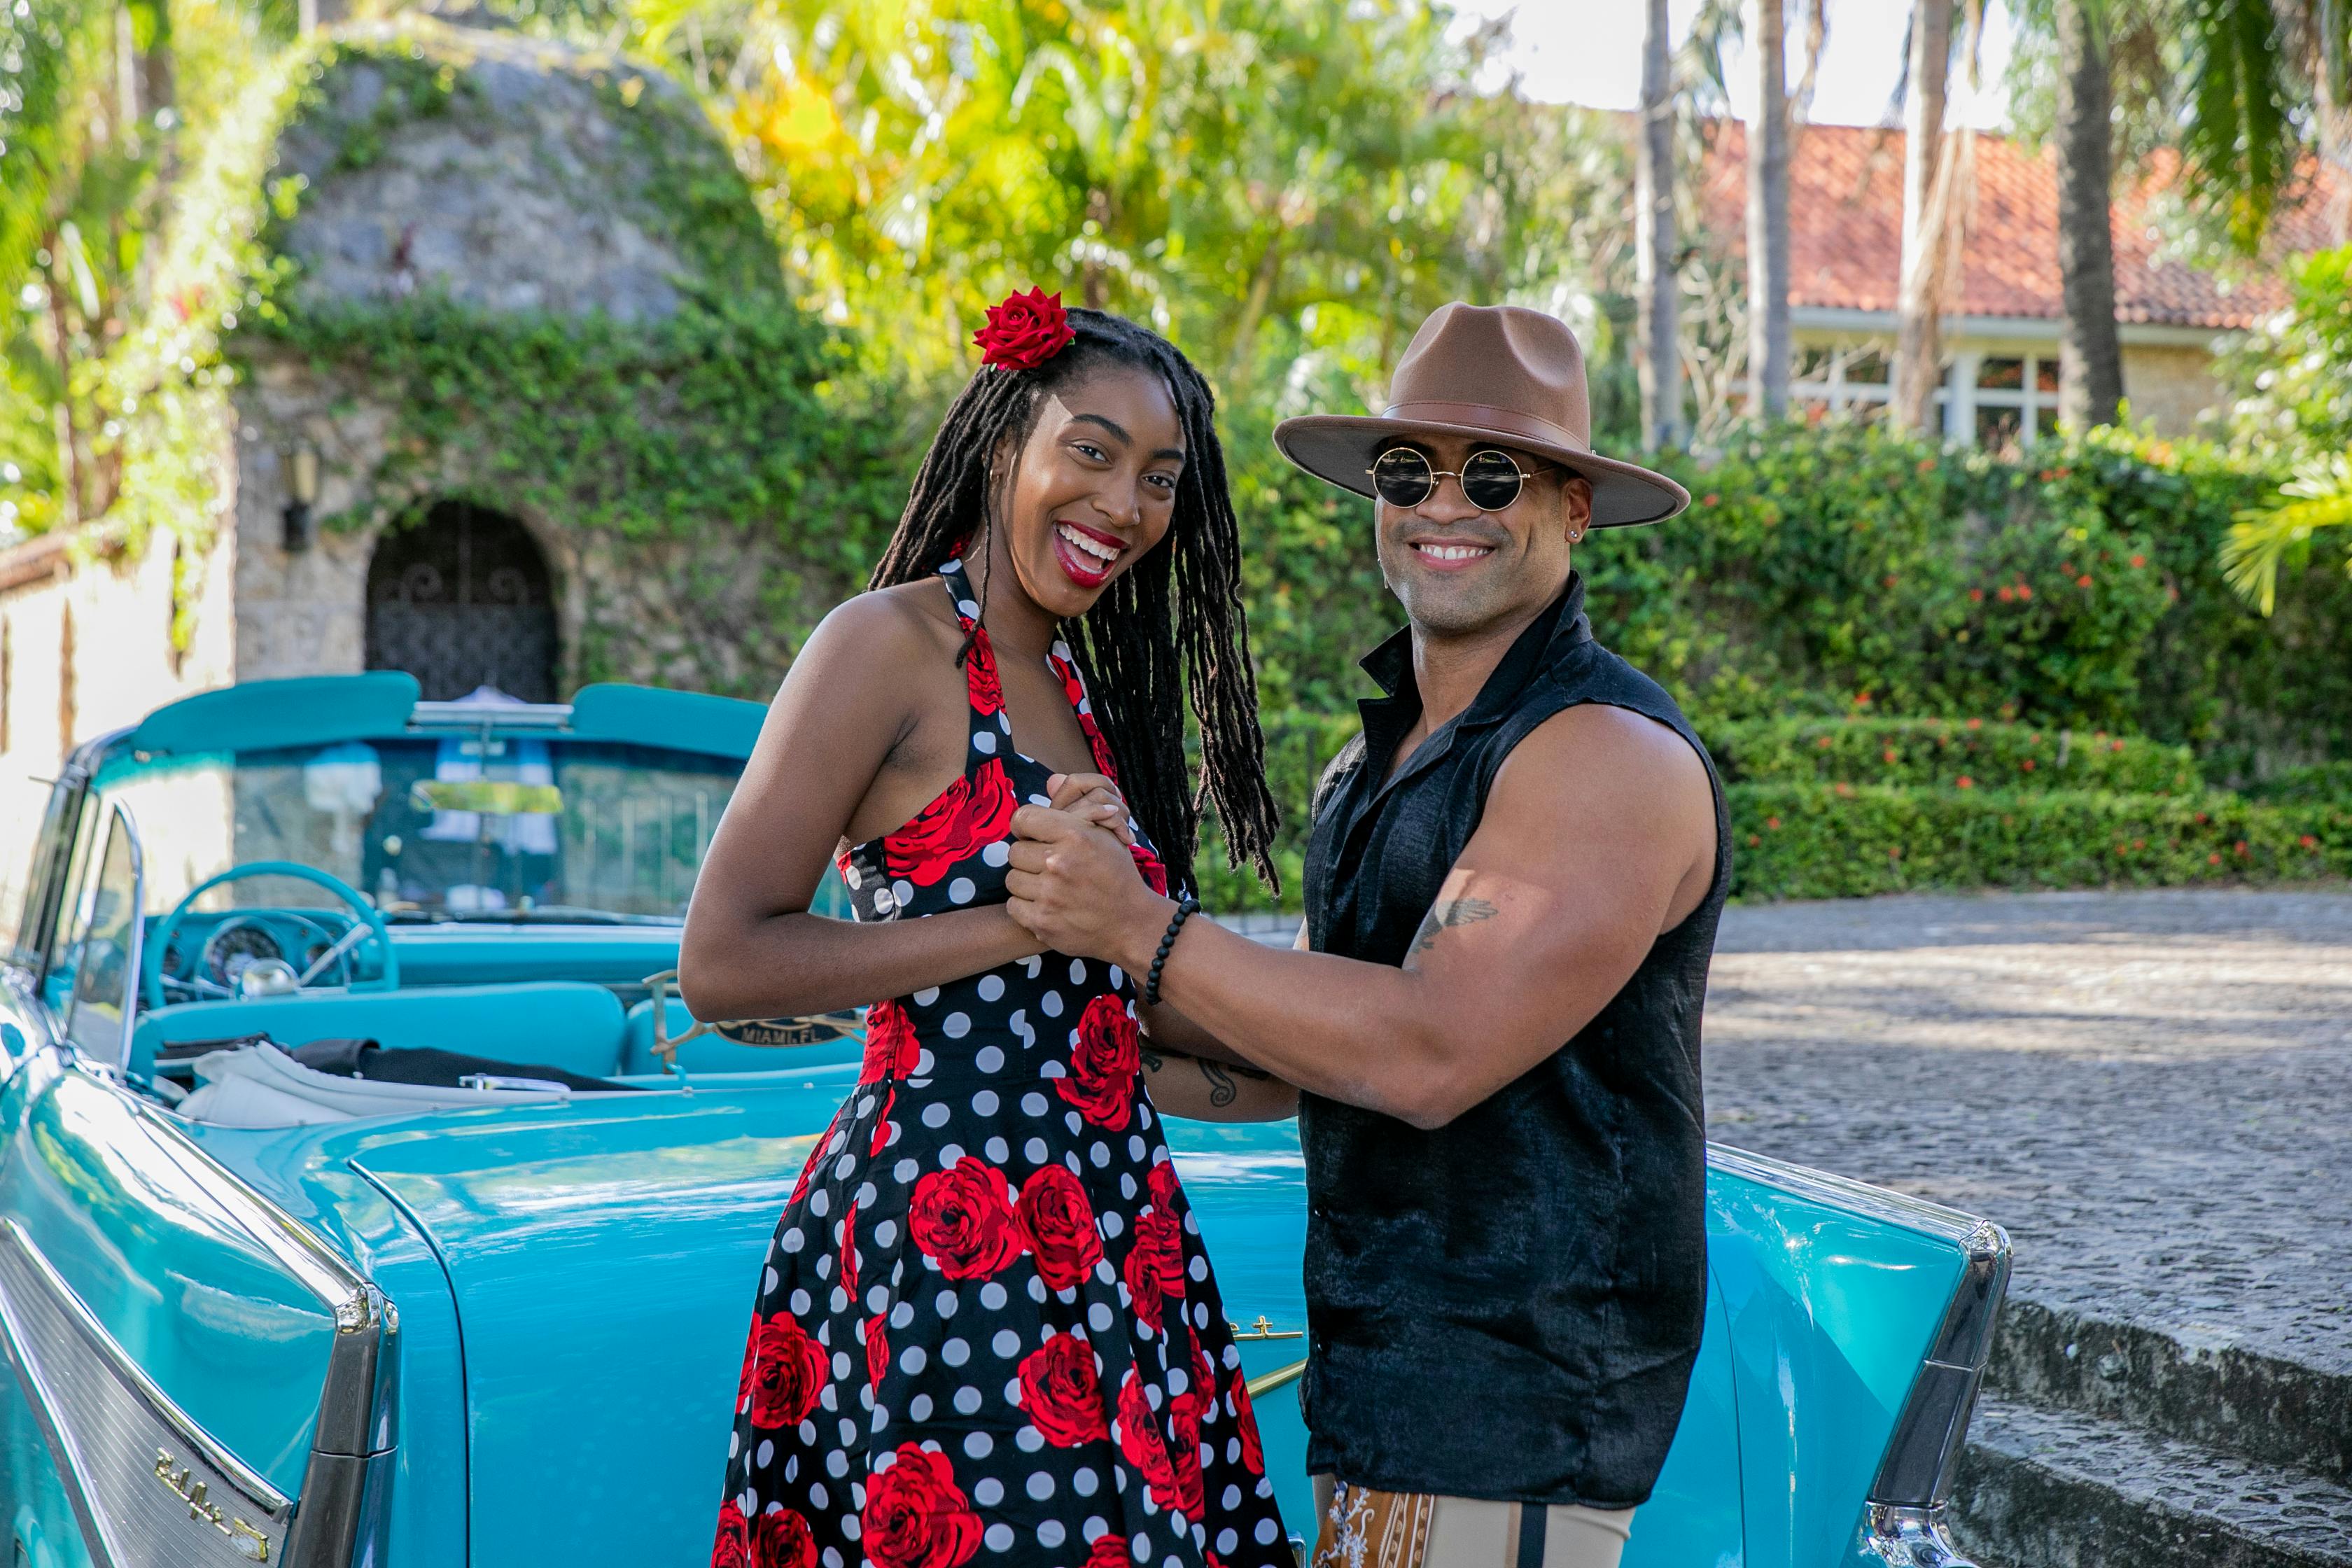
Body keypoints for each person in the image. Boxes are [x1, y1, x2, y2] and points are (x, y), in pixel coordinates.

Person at [1000, 302, 1728, 1568]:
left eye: (1493, 475)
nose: (1445, 504)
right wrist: (1050, 1015)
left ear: (1574, 511)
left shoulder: (1605, 757)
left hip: (1515, 1421)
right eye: (1411, 471)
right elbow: (1307, 1051)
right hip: (1386, 1412)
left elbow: (1423, 1056)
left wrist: (1133, 921)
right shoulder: (1375, 760)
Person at [680, 290, 1298, 1568]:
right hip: (949, 1252)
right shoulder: (886, 646)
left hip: (1117, 1238)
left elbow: (1099, 992)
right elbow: (725, 961)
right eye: (1092, 451)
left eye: (1161, 477)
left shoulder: (1085, 687)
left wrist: (1286, 1043)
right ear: (1006, 440)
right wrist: (1021, 925)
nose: (1124, 505)